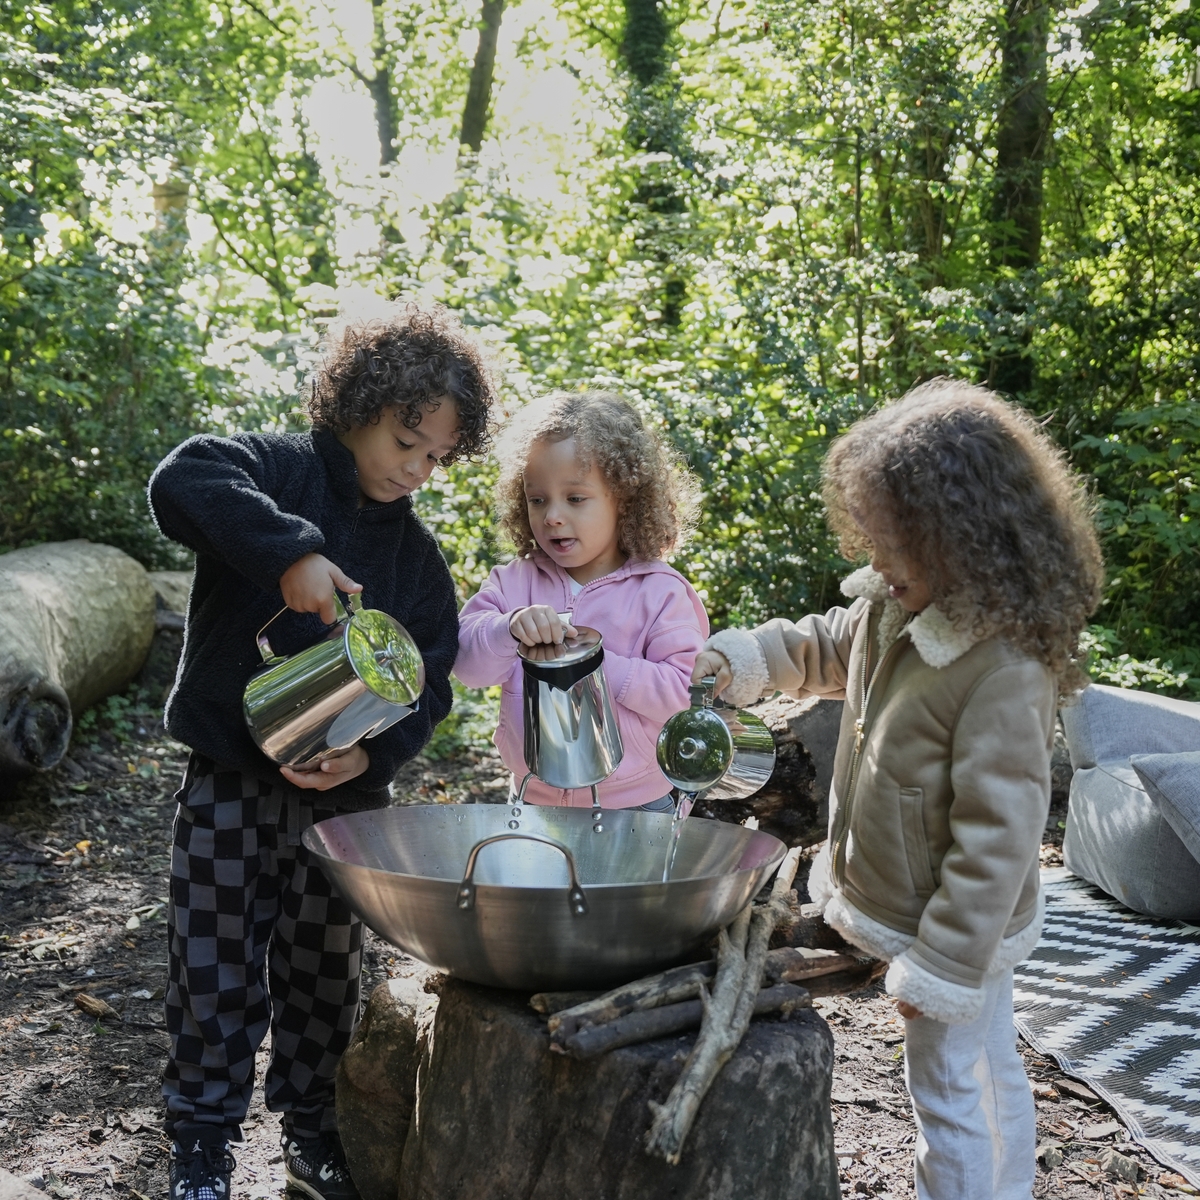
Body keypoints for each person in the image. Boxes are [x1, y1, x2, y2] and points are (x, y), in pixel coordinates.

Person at [693, 380, 1103, 1200]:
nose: (874, 563)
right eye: (870, 539)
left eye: (891, 544)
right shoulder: (894, 607)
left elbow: (1000, 840)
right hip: (915, 909)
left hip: (953, 933)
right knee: (984, 1068)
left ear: (962, 539)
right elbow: (824, 645)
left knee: (949, 1093)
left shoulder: (1003, 668)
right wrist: (745, 662)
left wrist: (942, 964)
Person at [148, 302, 494, 1200]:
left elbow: (433, 681)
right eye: (404, 440)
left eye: (435, 458)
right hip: (229, 779)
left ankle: (313, 1131)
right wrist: (289, 555)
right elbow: (182, 479)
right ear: (356, 402)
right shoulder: (278, 473)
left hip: (342, 807)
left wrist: (370, 763)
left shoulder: (417, 561)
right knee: (212, 967)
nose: (416, 468)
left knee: (323, 975)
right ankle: (201, 1142)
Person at [456, 390, 707, 811]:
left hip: (636, 804)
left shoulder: (660, 592)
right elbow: (467, 666)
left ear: (624, 499)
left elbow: (687, 696)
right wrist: (507, 628)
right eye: (537, 499)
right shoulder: (514, 582)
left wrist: (596, 666)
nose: (552, 515)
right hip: (532, 801)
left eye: (575, 498)